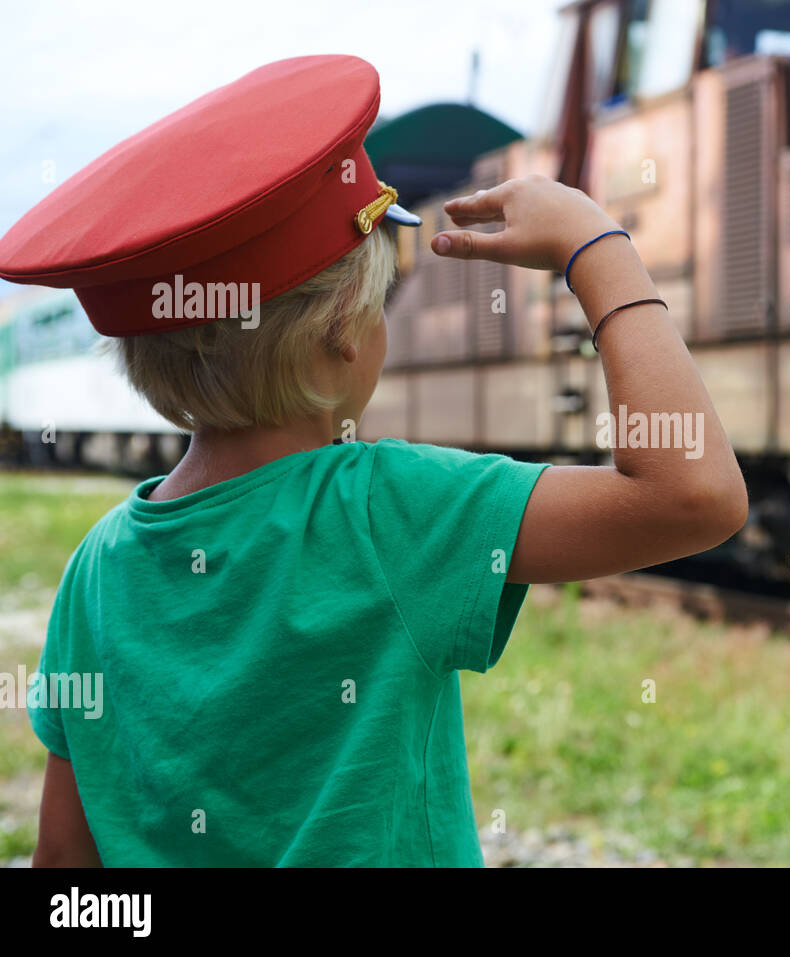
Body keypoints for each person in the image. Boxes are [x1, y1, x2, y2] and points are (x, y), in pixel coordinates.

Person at [0, 55, 747, 867]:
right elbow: (693, 494)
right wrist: (599, 251)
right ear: (342, 338)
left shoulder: (96, 571)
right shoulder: (390, 512)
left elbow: (65, 869)